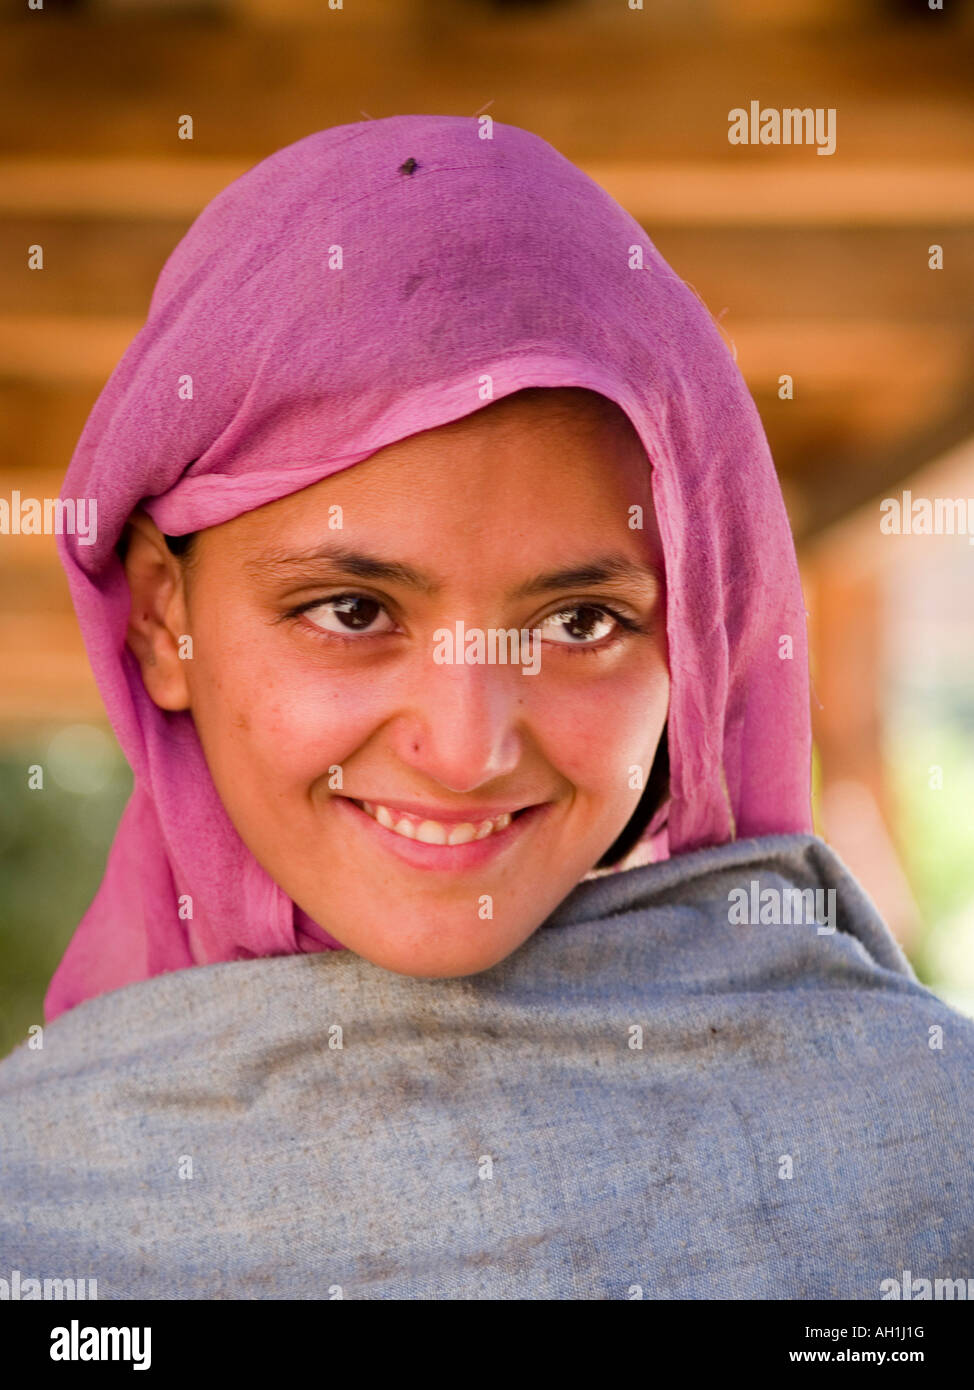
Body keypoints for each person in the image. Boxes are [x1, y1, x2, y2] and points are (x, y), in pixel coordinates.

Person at [0, 115, 970, 1301]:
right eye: (351, 611)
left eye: (578, 624)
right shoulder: (39, 1210)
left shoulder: (921, 1166)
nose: (464, 751)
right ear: (163, 621)